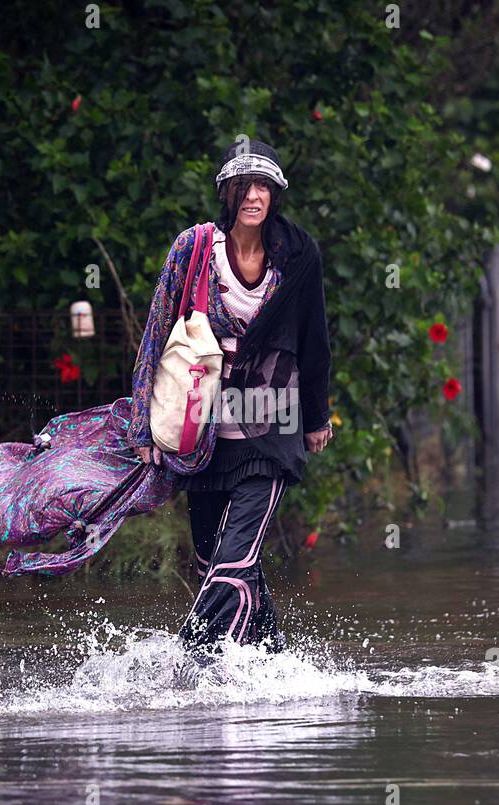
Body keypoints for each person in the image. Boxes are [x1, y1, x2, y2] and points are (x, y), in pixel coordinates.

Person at [127, 139, 333, 658]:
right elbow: (155, 336)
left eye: (264, 186)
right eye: (244, 186)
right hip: (206, 434)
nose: (254, 197)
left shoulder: (299, 254)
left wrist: (316, 415)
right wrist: (141, 428)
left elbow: (315, 338)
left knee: (235, 560)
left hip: (271, 434)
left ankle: (188, 663)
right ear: (227, 192)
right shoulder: (194, 250)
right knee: (211, 562)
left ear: (275, 195)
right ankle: (274, 667)